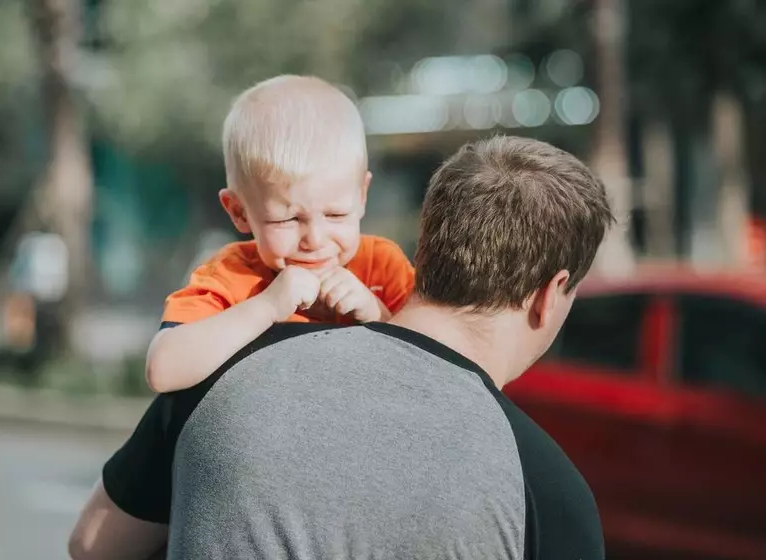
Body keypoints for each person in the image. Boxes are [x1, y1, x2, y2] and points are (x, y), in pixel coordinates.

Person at [69, 135, 614, 560]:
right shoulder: (548, 490)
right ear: (548, 296)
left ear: (427, 248)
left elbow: (92, 546)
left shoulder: (225, 371)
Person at [145, 75, 415, 393]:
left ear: (362, 196)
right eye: (287, 219)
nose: (314, 239)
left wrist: (377, 314)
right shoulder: (230, 277)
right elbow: (163, 371)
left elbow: (436, 370)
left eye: (335, 214)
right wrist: (267, 306)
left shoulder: (382, 266)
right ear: (238, 211)